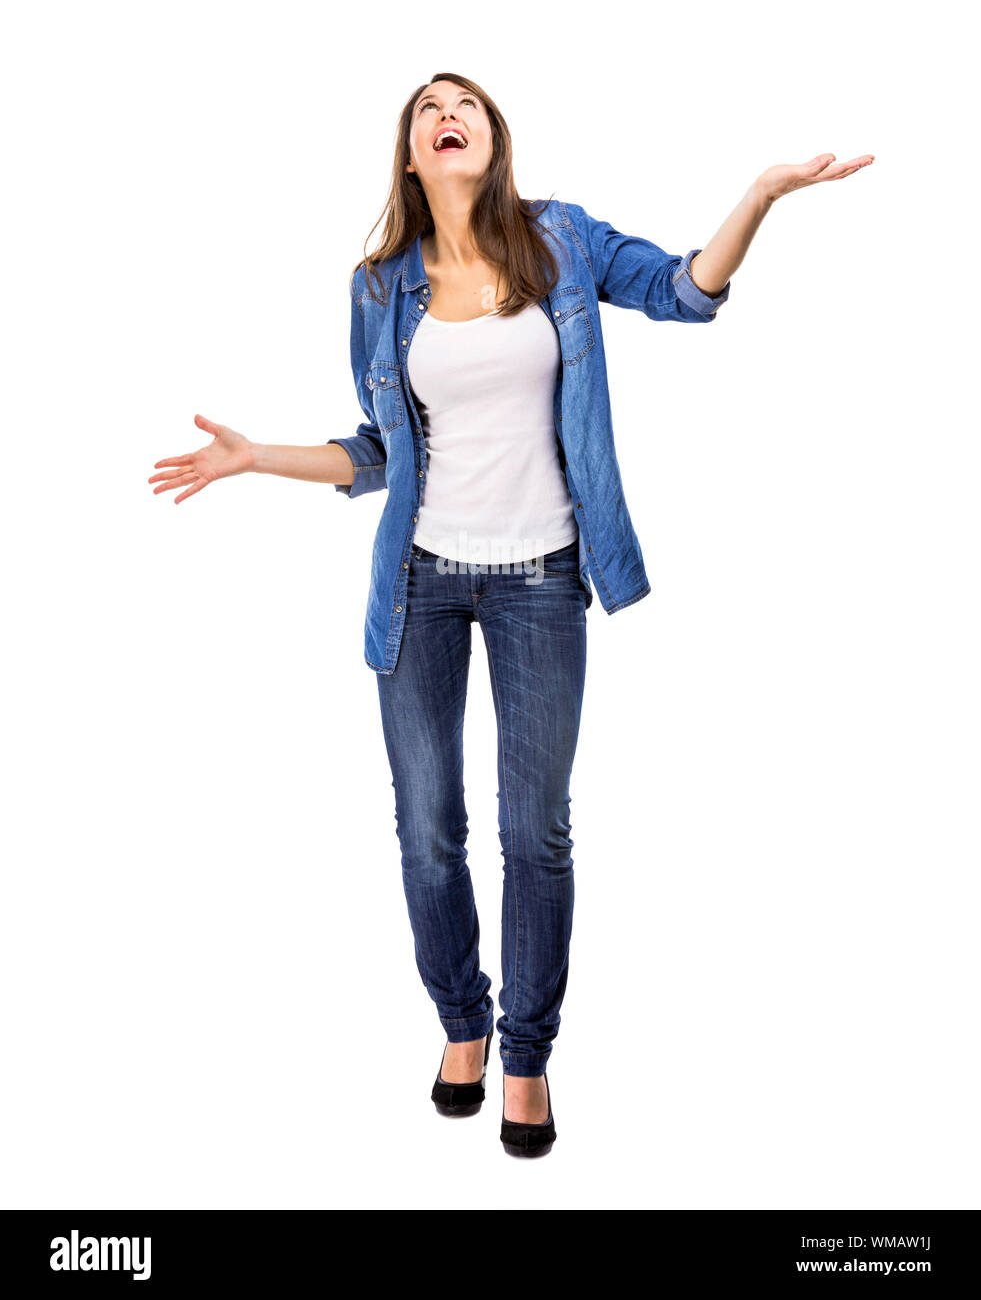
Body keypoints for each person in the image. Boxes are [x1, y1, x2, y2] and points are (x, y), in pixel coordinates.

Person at [149, 72, 873, 1158]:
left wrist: (763, 192)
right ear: (411, 152)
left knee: (535, 829)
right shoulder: (379, 285)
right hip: (420, 583)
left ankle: (527, 1052)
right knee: (429, 831)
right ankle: (462, 1024)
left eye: (468, 105)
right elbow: (380, 449)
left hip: (542, 579)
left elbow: (685, 289)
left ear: (493, 137)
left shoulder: (562, 242)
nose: (449, 113)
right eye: (430, 107)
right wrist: (257, 460)